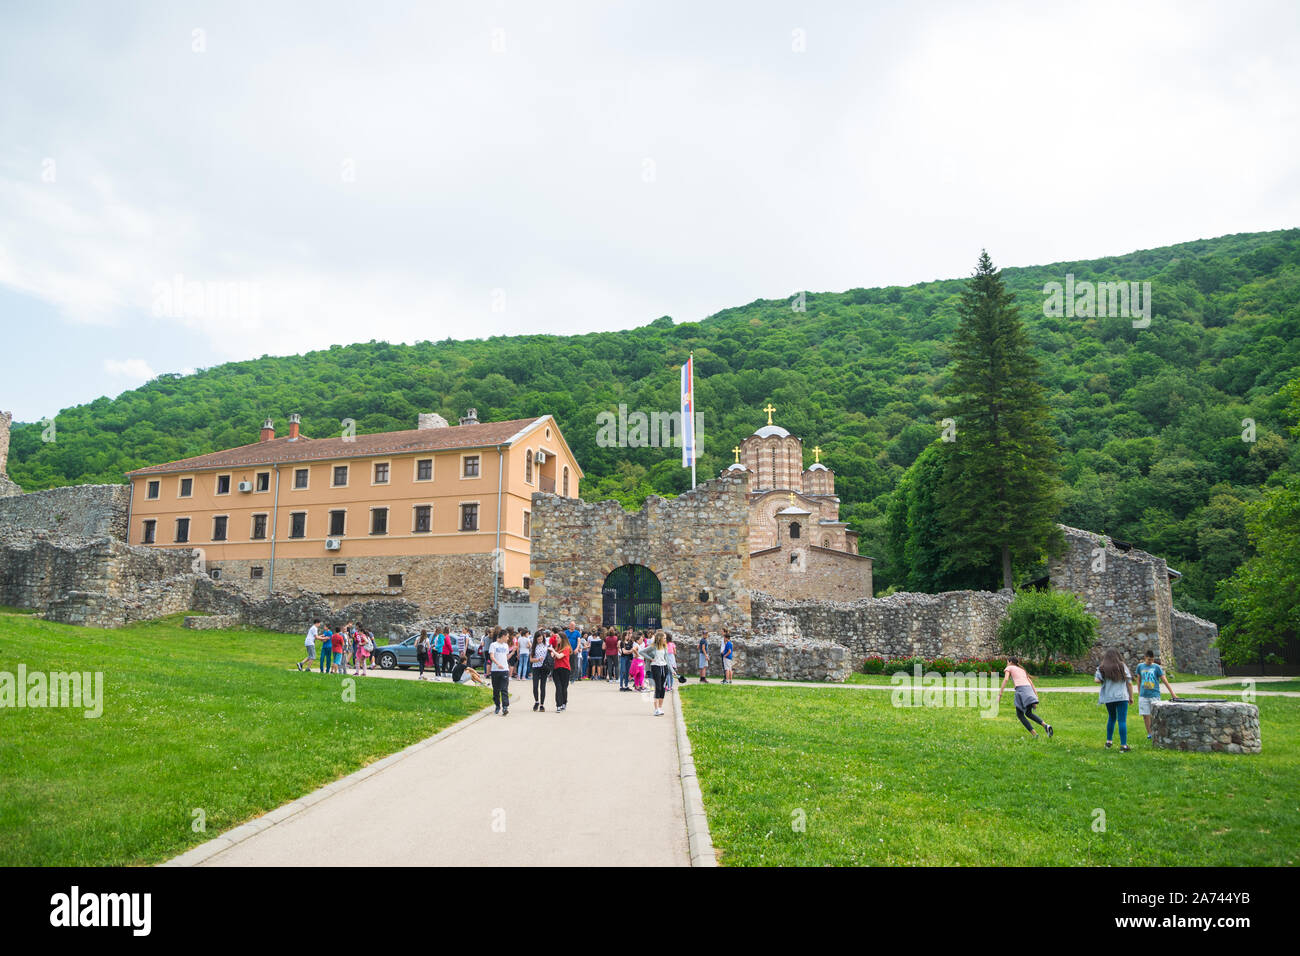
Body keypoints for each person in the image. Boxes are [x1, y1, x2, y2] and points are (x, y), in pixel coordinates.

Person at [997, 657, 1053, 738]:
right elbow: (1031, 684)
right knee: (1028, 713)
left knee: (1020, 715)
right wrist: (1035, 697)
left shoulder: (1009, 667)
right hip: (1029, 690)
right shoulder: (1022, 670)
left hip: (1021, 691)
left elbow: (1005, 680)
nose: (1006, 664)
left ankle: (1035, 735)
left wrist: (1000, 695)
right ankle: (1046, 726)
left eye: (1007, 662)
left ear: (1010, 662)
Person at [1095, 647, 1134, 751]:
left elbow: (1097, 680)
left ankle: (1108, 742)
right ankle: (1123, 745)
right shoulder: (1122, 666)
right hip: (1122, 697)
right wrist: (1131, 697)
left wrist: (1104, 677)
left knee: (1111, 718)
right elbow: (1129, 683)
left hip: (1109, 697)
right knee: (1122, 720)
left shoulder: (1103, 667)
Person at [1135, 649, 1177, 740]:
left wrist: (1172, 693)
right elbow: (1138, 679)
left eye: (1152, 660)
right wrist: (1139, 692)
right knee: (1145, 715)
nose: (1150, 662)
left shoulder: (1156, 667)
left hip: (1154, 694)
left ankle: (1156, 731)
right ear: (1145, 658)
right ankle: (1149, 733)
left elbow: (1164, 680)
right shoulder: (1140, 667)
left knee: (1155, 715)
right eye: (1149, 659)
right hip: (1143, 695)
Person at [645, 632, 670, 716]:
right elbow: (642, 652)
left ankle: (660, 708)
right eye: (664, 638)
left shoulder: (665, 647)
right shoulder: (653, 647)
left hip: (664, 667)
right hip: (656, 667)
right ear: (660, 638)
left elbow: (667, 659)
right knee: (658, 687)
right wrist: (650, 659)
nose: (665, 640)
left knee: (663, 688)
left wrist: (672, 670)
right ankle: (656, 709)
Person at [488, 630, 513, 715]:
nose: (508, 638)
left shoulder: (506, 646)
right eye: (507, 636)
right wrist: (498, 664)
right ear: (503, 636)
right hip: (495, 670)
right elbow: (491, 656)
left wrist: (513, 652)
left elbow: (506, 657)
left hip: (504, 670)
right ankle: (497, 705)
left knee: (504, 689)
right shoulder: (493, 645)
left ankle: (505, 707)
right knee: (496, 690)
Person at [550, 630, 572, 711]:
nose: (556, 639)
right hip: (556, 669)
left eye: (558, 638)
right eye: (556, 638)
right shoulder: (557, 647)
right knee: (558, 687)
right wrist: (553, 653)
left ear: (562, 639)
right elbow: (555, 656)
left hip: (565, 669)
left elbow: (559, 656)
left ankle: (564, 703)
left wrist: (553, 651)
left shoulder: (566, 648)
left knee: (564, 687)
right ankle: (558, 705)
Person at [531, 629, 552, 710]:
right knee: (535, 686)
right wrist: (537, 659)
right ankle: (536, 701)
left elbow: (551, 654)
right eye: (538, 639)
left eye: (541, 639)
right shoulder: (534, 646)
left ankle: (542, 704)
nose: (540, 640)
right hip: (536, 666)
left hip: (544, 667)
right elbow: (531, 659)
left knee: (543, 686)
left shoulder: (547, 645)